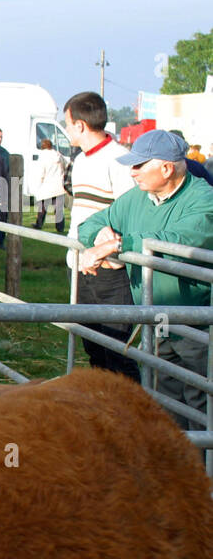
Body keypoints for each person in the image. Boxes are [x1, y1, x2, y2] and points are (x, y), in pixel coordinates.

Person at [77, 129, 213, 428]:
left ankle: (201, 470)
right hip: (155, 317)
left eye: (140, 165)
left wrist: (119, 245)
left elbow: (180, 241)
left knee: (200, 399)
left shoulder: (203, 199)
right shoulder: (136, 198)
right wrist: (100, 235)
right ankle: (171, 469)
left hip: (196, 323)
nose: (132, 171)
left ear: (166, 168)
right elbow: (91, 223)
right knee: (163, 398)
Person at [63, 90, 139, 380]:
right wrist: (75, 255)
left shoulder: (120, 160)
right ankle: (104, 414)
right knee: (93, 346)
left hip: (110, 269)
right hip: (82, 265)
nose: (67, 130)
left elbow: (129, 215)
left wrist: (109, 255)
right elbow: (81, 214)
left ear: (80, 125)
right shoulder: (81, 160)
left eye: (68, 123)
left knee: (118, 351)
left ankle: (132, 416)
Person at [30, 138, 68, 231]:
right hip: (59, 185)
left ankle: (39, 224)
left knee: (42, 208)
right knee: (58, 209)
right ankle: (60, 228)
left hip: (46, 186)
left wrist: (37, 186)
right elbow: (66, 166)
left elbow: (41, 173)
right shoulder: (58, 155)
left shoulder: (43, 156)